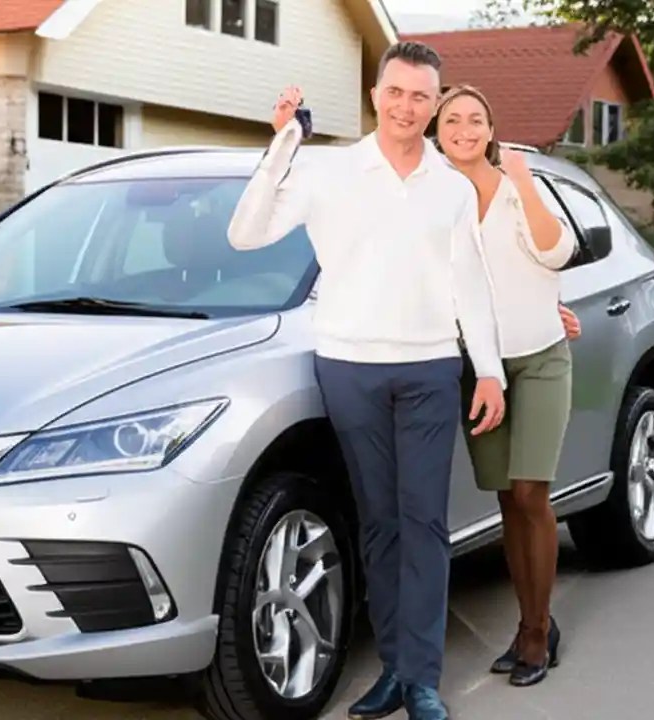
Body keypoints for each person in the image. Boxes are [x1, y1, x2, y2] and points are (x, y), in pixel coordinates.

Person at [228, 43, 506, 720]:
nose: (406, 107)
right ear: (375, 94)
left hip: (430, 368)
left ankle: (423, 681)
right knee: (379, 524)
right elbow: (245, 234)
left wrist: (490, 369)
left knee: (424, 524)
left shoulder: (450, 186)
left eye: (420, 96)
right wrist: (282, 146)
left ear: (434, 103)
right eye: (396, 92)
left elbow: (469, 280)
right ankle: (392, 669)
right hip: (349, 367)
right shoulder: (330, 171)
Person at [429, 84, 579, 687]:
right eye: (453, 120)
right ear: (438, 131)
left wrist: (522, 177)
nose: (465, 128)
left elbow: (557, 251)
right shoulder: (433, 200)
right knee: (505, 502)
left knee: (530, 493)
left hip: (541, 359)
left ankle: (538, 632)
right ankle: (528, 622)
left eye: (476, 119)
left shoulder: (518, 186)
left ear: (491, 129)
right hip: (479, 368)